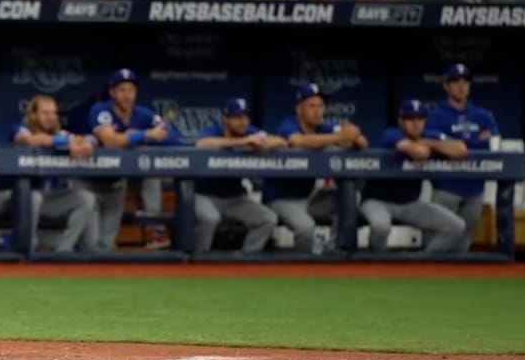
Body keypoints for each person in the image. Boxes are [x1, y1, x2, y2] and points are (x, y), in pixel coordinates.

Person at [264, 82, 367, 253]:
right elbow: (297, 141)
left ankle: (334, 249)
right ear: (299, 109)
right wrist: (338, 137)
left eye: (320, 106)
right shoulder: (288, 124)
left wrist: (353, 135)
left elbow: (362, 142)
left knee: (349, 200)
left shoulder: (322, 128)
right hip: (281, 198)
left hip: (309, 197)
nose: (318, 111)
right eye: (311, 106)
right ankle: (302, 264)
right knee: (306, 227)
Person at [86, 68, 178, 250]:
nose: (127, 95)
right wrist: (144, 135)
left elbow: (172, 136)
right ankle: (103, 247)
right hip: (104, 175)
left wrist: (142, 136)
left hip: (134, 173)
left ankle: (155, 230)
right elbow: (110, 141)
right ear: (112, 92)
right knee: (117, 189)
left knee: (151, 174)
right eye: (121, 90)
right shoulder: (101, 110)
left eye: (131, 90)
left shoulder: (143, 114)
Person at [360, 100, 470, 254]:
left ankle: (424, 259)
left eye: (420, 118)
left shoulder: (429, 136)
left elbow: (461, 150)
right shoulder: (391, 134)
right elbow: (419, 153)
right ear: (401, 121)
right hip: (378, 200)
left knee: (456, 226)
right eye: (410, 119)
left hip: (409, 203)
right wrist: (432, 145)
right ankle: (377, 261)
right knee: (381, 226)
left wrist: (428, 142)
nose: (415, 123)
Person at [2, 93, 99, 253]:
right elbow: (28, 140)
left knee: (85, 197)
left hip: (45, 197)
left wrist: (87, 143)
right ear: (33, 115)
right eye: (45, 113)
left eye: (53, 113)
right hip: (10, 196)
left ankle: (63, 252)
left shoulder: (59, 134)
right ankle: (27, 251)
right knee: (33, 197)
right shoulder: (20, 129)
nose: (51, 117)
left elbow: (85, 139)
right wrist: (65, 141)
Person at [193, 97, 283, 255]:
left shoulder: (250, 131)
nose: (243, 122)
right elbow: (202, 143)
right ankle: (199, 259)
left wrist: (264, 144)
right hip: (204, 195)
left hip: (234, 198)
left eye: (246, 117)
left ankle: (246, 258)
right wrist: (242, 142)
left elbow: (280, 141)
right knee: (210, 218)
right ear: (225, 119)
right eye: (237, 117)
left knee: (268, 218)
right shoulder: (216, 131)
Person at [424, 63, 499, 245]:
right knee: (435, 245)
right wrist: (473, 141)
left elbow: (492, 146)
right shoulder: (435, 116)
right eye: (455, 81)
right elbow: (433, 145)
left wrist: (454, 143)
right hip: (445, 188)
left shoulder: (483, 116)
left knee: (464, 243)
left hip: (474, 189)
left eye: (465, 82)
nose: (461, 86)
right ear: (446, 85)